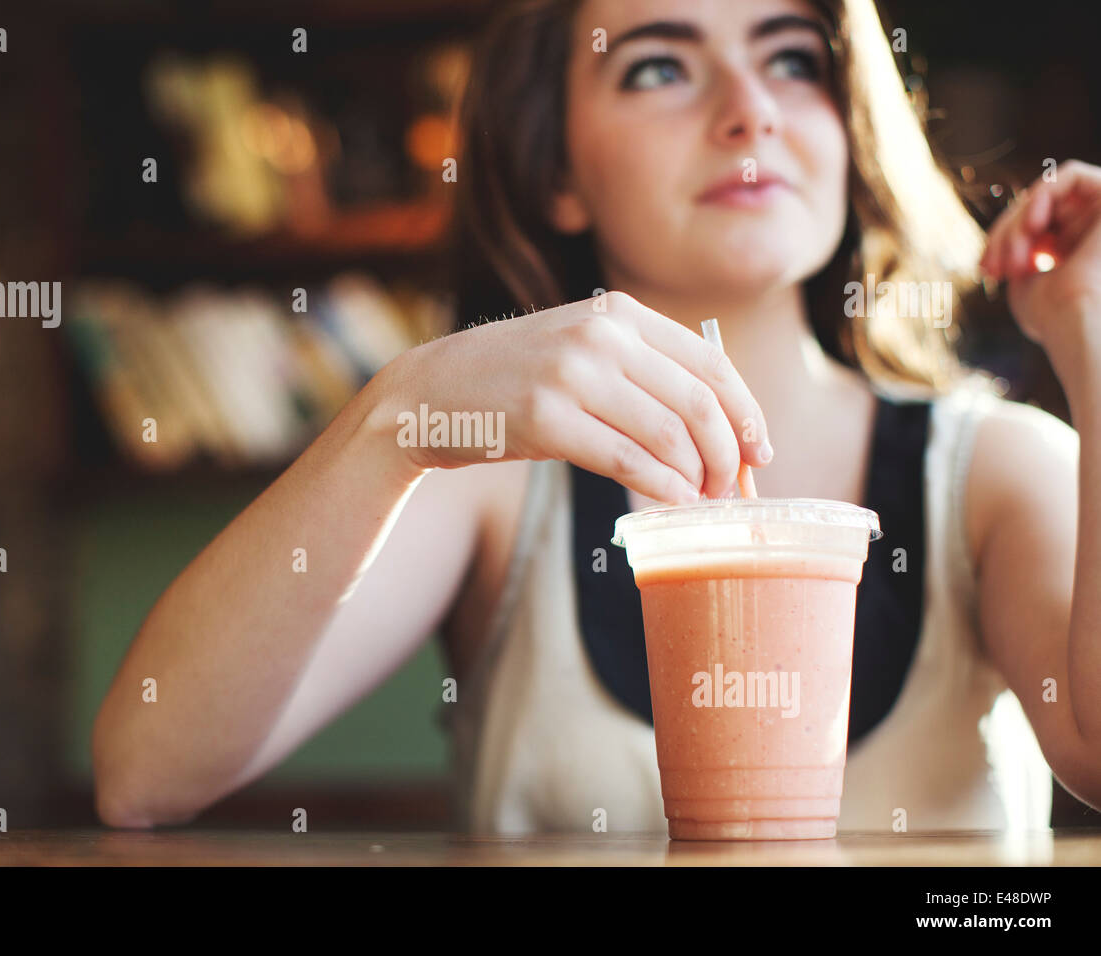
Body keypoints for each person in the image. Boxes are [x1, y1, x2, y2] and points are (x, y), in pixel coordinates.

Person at [92, 0, 1101, 832]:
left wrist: (1093, 339)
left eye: (792, 58)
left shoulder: (994, 470)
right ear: (555, 172)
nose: (749, 110)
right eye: (659, 68)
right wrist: (399, 410)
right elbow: (145, 768)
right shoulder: (483, 482)